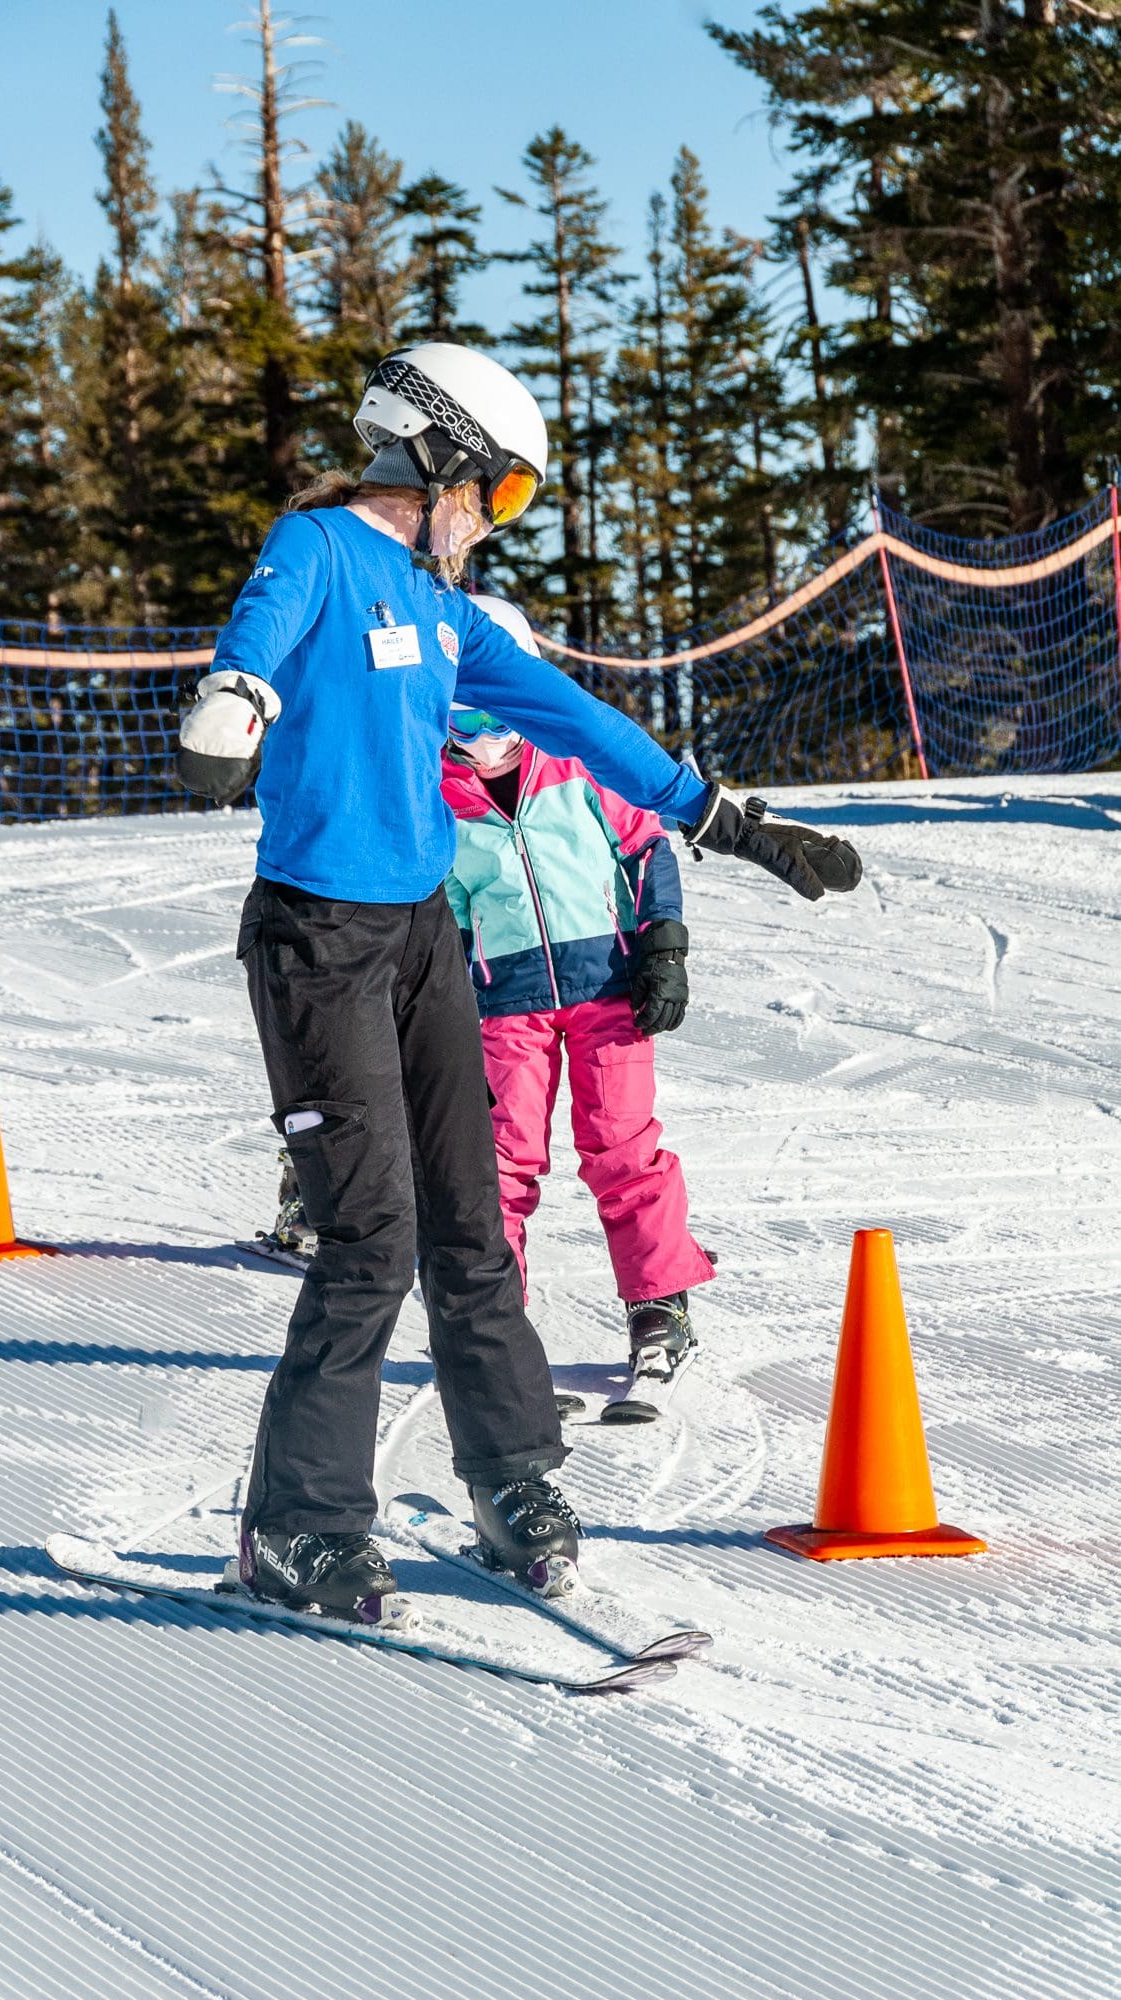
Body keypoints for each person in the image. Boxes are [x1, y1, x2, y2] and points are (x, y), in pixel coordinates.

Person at [180, 341, 862, 1626]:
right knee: (368, 1235)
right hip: (316, 942)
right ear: (434, 454)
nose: (491, 526)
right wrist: (236, 696)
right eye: (494, 496)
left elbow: (576, 719)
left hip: (426, 935)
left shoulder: (445, 616)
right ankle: (296, 1524)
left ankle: (512, 1481)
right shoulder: (320, 546)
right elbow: (260, 624)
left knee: (470, 1223)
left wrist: (730, 821)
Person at [441, 596, 714, 1422]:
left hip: (605, 983)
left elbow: (642, 848)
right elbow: (443, 907)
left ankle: (660, 1307)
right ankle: (497, 1338)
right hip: (502, 1002)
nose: (482, 735)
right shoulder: (434, 791)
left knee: (622, 1150)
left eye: (496, 709)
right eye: (461, 717)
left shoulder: (577, 760)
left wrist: (661, 944)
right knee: (497, 1165)